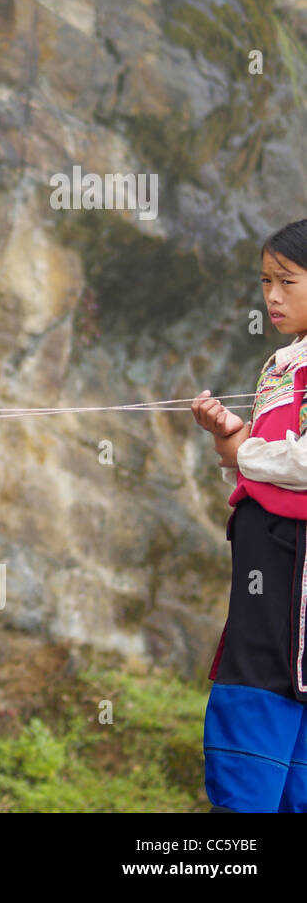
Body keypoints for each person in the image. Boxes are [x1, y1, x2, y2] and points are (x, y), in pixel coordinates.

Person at [193, 219, 307, 812]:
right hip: (265, 557)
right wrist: (230, 440)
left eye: (286, 281)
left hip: (296, 564)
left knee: (261, 692)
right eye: (265, 280)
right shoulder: (280, 363)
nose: (271, 296)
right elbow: (261, 462)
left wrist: (245, 454)